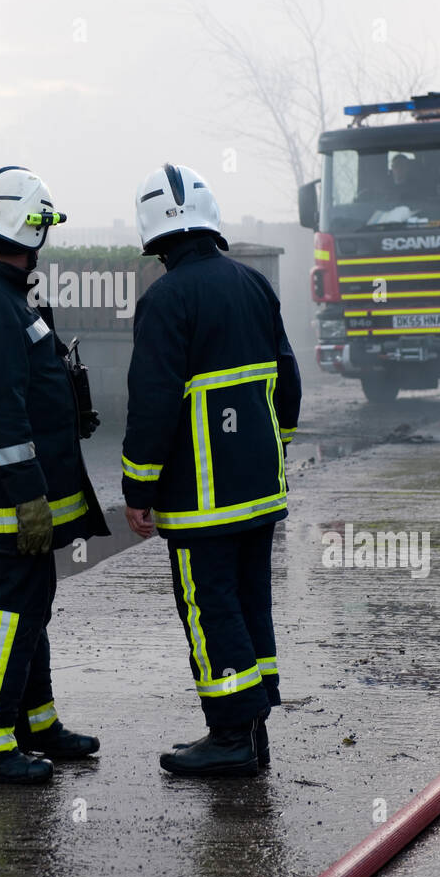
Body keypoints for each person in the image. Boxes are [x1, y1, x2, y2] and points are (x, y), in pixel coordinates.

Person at [121, 163, 301, 778]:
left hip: (203, 501)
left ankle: (229, 737)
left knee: (208, 606)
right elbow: (288, 379)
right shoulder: (253, 284)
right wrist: (273, 446)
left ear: (153, 235)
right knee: (251, 600)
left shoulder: (165, 300)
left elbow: (152, 403)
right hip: (259, 489)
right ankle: (253, 731)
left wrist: (137, 487)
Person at [0, 166, 109, 784]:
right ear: (21, 227)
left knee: (30, 607)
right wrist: (29, 496)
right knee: (8, 612)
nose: (42, 239)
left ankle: (35, 721)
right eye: (39, 227)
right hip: (5, 502)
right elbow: (0, 410)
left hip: (7, 498)